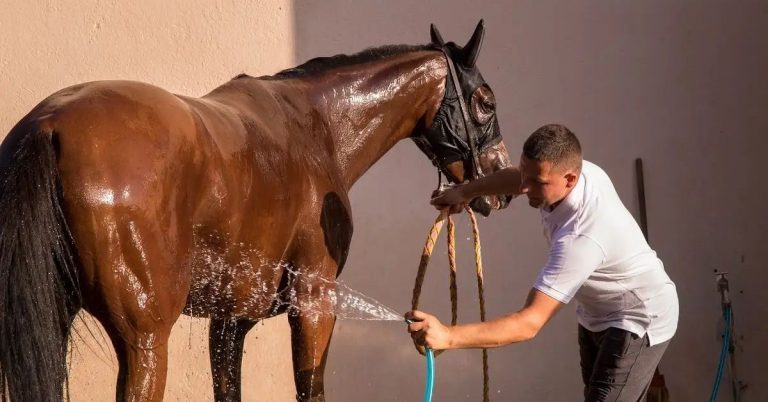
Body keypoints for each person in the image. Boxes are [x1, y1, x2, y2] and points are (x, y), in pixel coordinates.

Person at [405, 124, 678, 401]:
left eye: (537, 182)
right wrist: (467, 191)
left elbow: (529, 323)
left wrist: (447, 337)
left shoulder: (581, 238)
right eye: (525, 173)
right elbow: (520, 178)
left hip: (638, 319)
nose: (524, 188)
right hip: (596, 313)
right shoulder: (575, 172)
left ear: (570, 179)